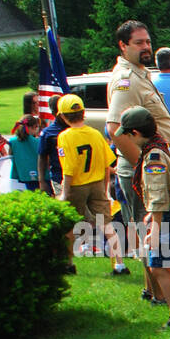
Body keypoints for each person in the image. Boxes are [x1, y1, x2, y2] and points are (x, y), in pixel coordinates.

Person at [108, 19, 170, 304]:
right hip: (143, 170)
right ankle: (161, 295)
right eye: (138, 43)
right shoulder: (126, 80)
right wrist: (145, 167)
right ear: (123, 46)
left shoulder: (139, 73)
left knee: (151, 230)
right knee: (153, 231)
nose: (146, 47)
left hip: (153, 165)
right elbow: (115, 128)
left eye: (148, 41)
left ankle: (156, 291)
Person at [116, 105, 170, 325]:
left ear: (135, 133)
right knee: (166, 265)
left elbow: (157, 195)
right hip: (167, 215)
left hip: (166, 217)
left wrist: (154, 227)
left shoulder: (153, 157)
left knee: (161, 265)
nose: (127, 139)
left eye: (127, 134)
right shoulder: (159, 143)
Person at [57, 93, 123, 273]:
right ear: (83, 112)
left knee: (70, 225)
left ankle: (68, 263)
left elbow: (68, 168)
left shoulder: (65, 136)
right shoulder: (94, 133)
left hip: (77, 185)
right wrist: (104, 187)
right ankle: (120, 264)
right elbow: (106, 163)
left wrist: (65, 192)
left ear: (63, 116)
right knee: (106, 224)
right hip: (96, 184)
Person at [37, 95, 67, 198]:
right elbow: (42, 157)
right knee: (67, 207)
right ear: (53, 113)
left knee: (94, 211)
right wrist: (42, 181)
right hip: (59, 177)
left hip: (81, 177)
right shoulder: (48, 133)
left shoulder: (76, 127)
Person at [7, 115, 43, 191]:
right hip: (36, 177)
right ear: (33, 127)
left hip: (18, 176)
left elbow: (10, 157)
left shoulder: (12, 142)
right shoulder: (38, 142)